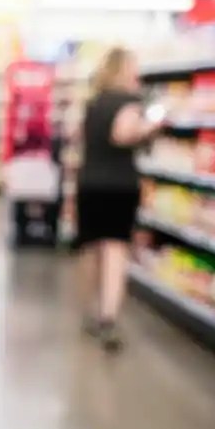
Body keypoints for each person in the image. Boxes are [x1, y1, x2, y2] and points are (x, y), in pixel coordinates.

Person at [77, 46, 159, 352]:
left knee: (90, 248)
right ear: (124, 70)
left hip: (89, 181)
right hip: (118, 184)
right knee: (115, 249)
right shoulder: (128, 102)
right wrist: (151, 126)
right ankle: (108, 317)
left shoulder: (93, 102)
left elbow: (79, 136)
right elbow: (123, 135)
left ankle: (88, 307)